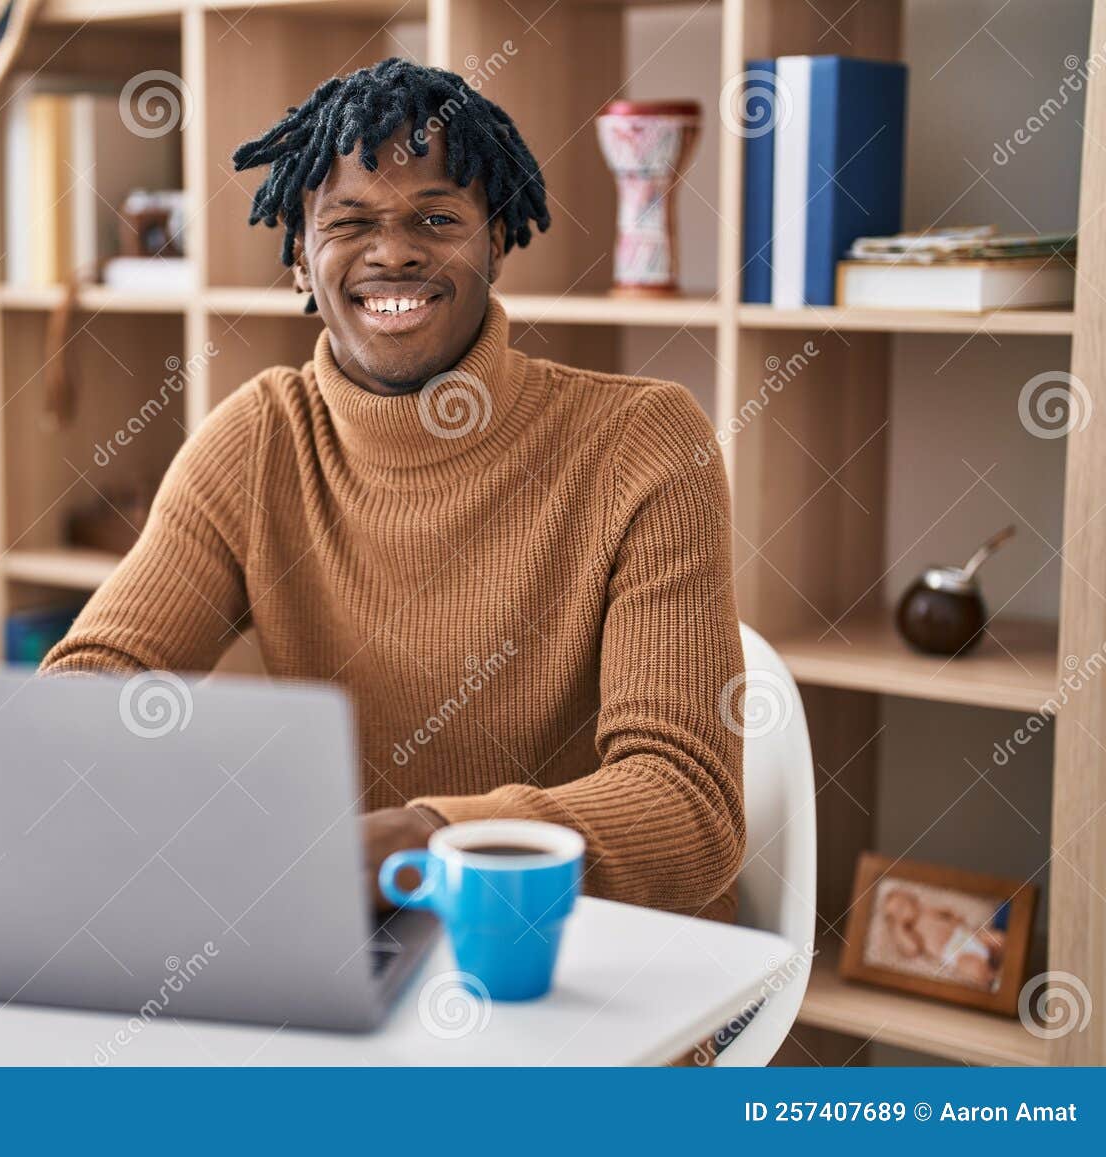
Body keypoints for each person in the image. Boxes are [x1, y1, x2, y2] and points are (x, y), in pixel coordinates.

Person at [42, 57, 746, 920]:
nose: (394, 250)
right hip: (348, 935)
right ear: (300, 258)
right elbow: (96, 683)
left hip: (579, 953)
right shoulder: (259, 439)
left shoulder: (643, 445)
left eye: (437, 216)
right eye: (350, 222)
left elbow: (689, 807)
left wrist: (428, 840)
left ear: (496, 241)